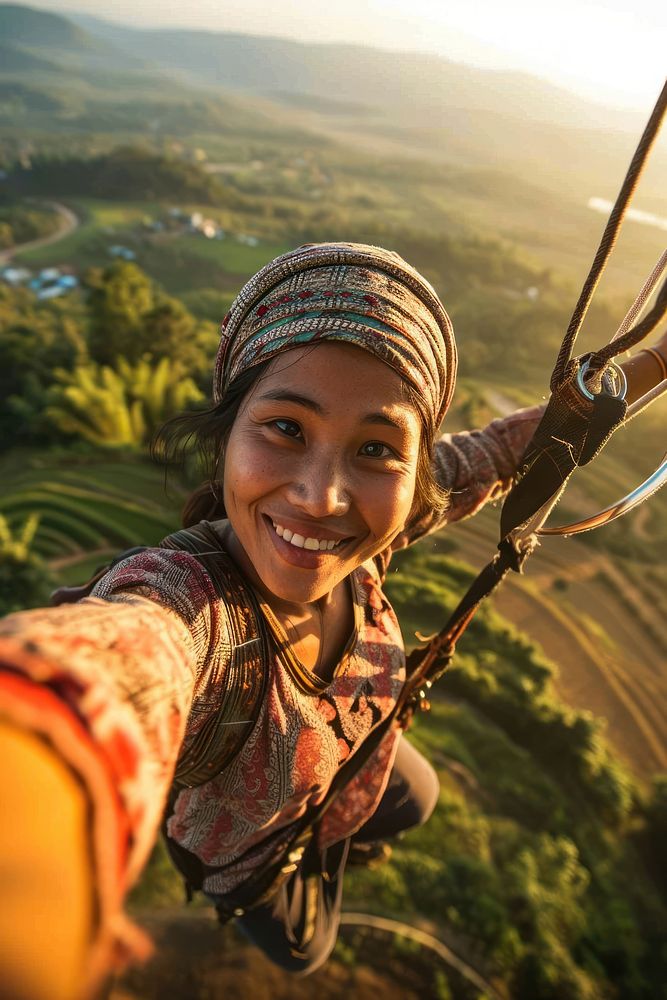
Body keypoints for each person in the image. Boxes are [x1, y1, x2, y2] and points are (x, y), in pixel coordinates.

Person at [0, 242, 665, 1000]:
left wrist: (659, 360)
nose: (322, 497)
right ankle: (318, 856)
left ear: (413, 476)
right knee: (304, 949)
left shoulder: (376, 537)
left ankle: (340, 830)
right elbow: (122, 661)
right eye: (286, 428)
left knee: (417, 796)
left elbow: (504, 448)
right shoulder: (194, 609)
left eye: (377, 449)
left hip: (355, 763)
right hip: (257, 857)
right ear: (226, 437)